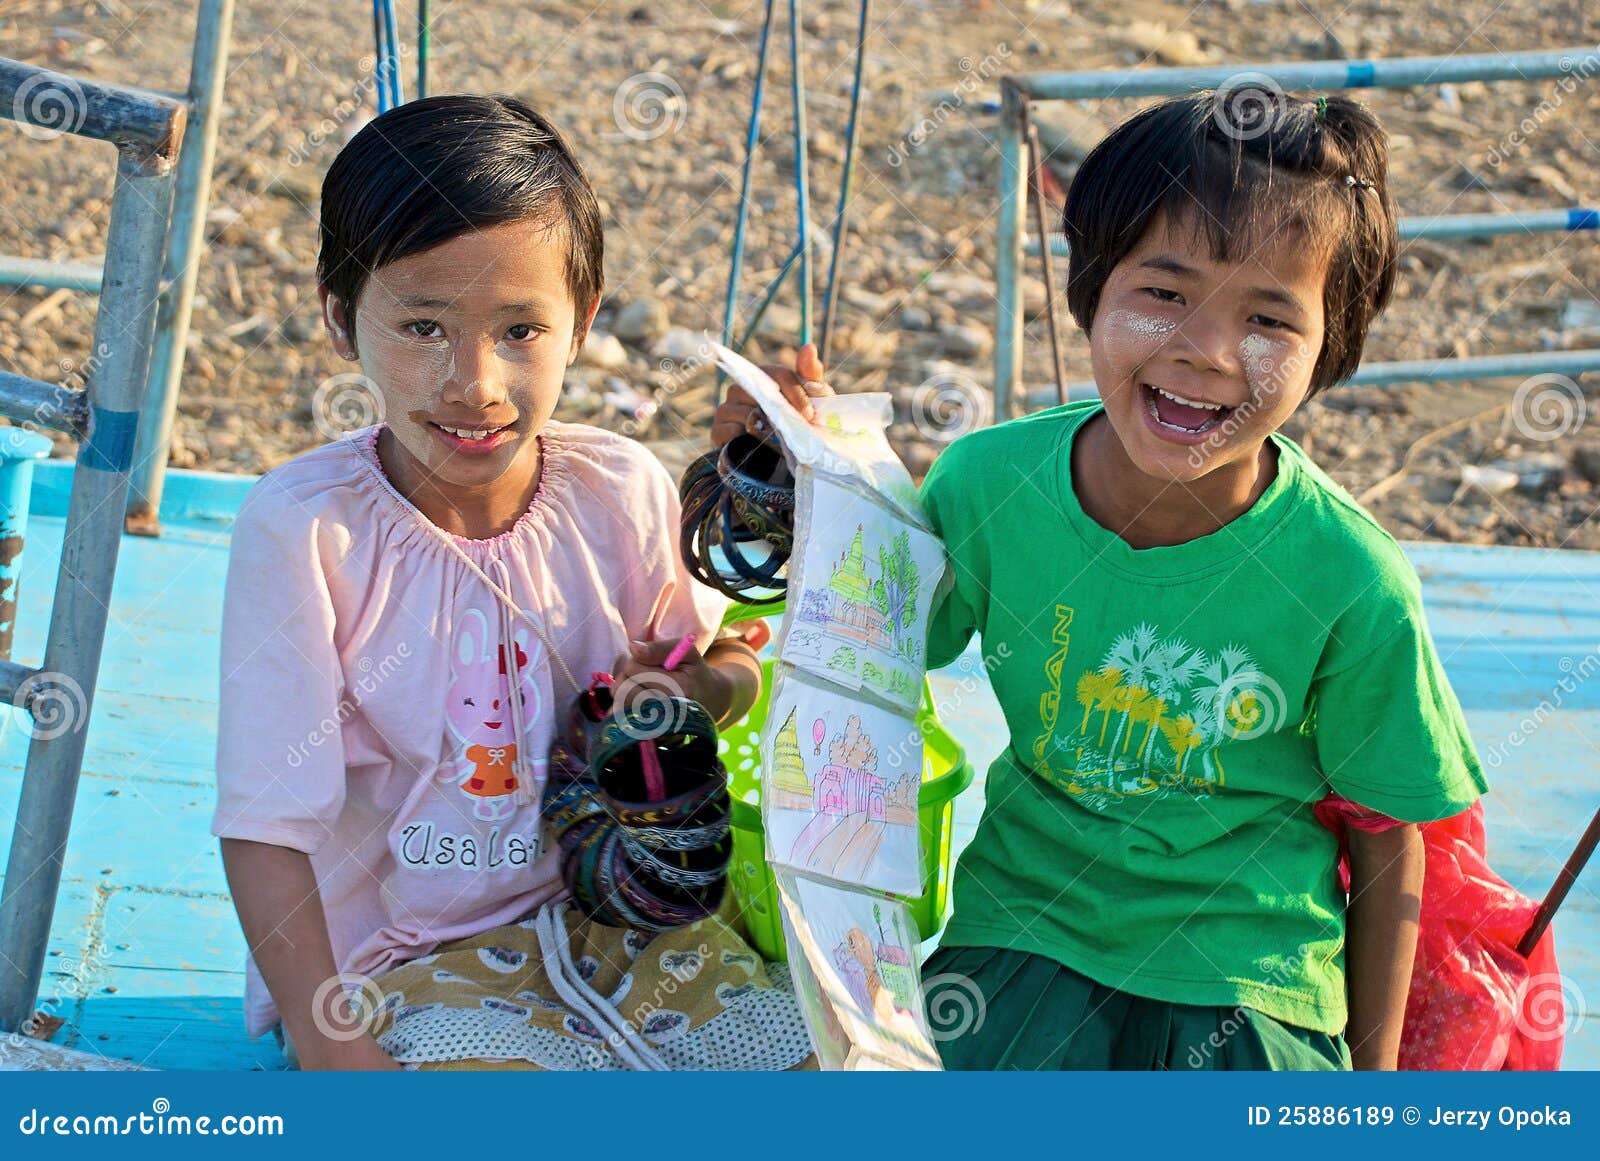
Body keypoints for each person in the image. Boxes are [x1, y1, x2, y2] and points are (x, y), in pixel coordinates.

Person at [714, 90, 1485, 1070]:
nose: (1202, 351)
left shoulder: (1350, 578)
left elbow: (1387, 839)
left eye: (1265, 318)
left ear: (1328, 348)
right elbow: (878, 630)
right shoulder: (991, 482)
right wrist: (793, 467)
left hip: (1247, 969)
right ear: (1091, 291)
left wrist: (1363, 1098)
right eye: (1163, 293)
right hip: (1027, 926)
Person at [212, 95, 814, 1072]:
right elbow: (264, 829)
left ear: (581, 321)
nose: (476, 382)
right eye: (422, 325)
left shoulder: (618, 487)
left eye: (521, 330)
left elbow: (723, 667)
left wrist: (787, 484)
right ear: (337, 318)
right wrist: (332, 1049)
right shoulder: (305, 532)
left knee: (818, 1077)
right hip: (401, 962)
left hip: (626, 917)